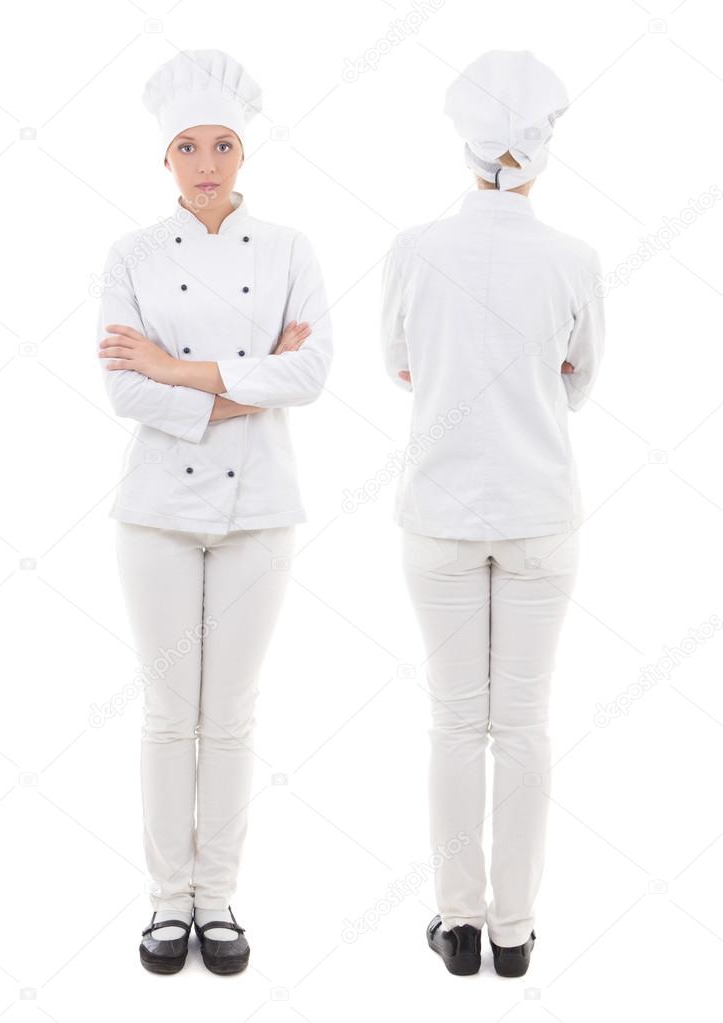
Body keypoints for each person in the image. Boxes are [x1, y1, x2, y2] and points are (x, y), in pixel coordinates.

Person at [95, 48, 333, 975]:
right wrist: (247, 382)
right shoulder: (132, 254)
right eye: (188, 146)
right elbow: (125, 390)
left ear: (244, 154)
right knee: (166, 714)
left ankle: (216, 897)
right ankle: (165, 904)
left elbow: (309, 373)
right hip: (154, 509)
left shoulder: (288, 249)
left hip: (260, 508)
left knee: (229, 717)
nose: (206, 162)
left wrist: (177, 369)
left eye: (223, 144)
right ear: (165, 159)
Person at [379, 50, 604, 977]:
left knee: (452, 723)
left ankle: (457, 922)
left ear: (465, 147)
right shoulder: (574, 258)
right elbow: (580, 382)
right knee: (524, 724)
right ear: (541, 151)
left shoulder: (413, 248)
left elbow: (399, 366)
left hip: (437, 514)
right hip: (540, 514)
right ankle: (514, 933)